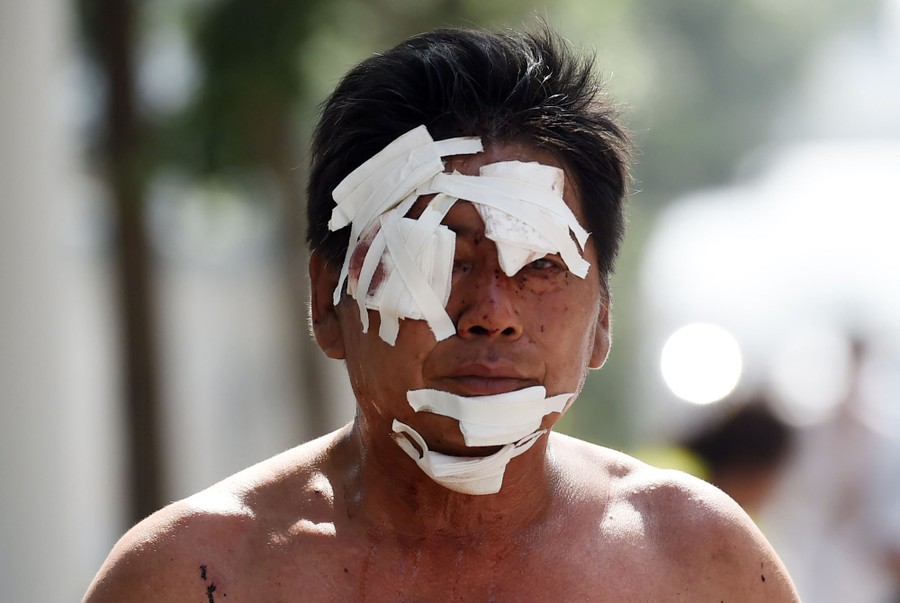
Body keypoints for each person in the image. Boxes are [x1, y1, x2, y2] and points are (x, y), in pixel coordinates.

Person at [84, 27, 798, 601]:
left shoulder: (704, 567)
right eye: (440, 259)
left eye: (542, 266)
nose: (492, 312)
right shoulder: (189, 578)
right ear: (327, 300)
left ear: (602, 317)